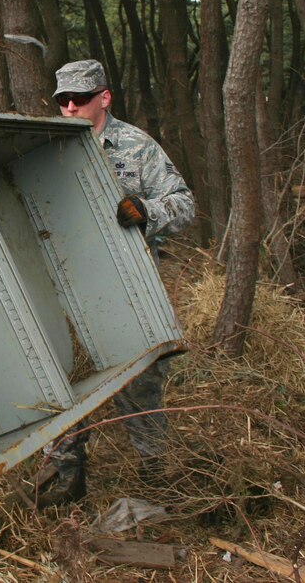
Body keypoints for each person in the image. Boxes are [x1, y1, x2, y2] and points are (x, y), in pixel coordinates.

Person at [48, 59, 194, 495]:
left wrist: (147, 211)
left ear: (104, 98)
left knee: (141, 384)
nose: (70, 107)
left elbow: (184, 204)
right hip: (67, 290)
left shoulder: (136, 146)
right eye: (63, 100)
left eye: (79, 98)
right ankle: (63, 481)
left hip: (130, 290)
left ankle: (155, 479)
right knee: (64, 383)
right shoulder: (48, 146)